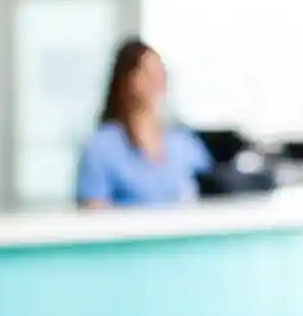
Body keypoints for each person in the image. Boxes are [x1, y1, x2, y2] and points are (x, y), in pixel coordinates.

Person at [76, 39, 212, 208]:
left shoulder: (182, 141)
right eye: (146, 73)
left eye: (160, 72)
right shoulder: (101, 146)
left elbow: (210, 192)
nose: (155, 80)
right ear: (125, 80)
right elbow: (94, 209)